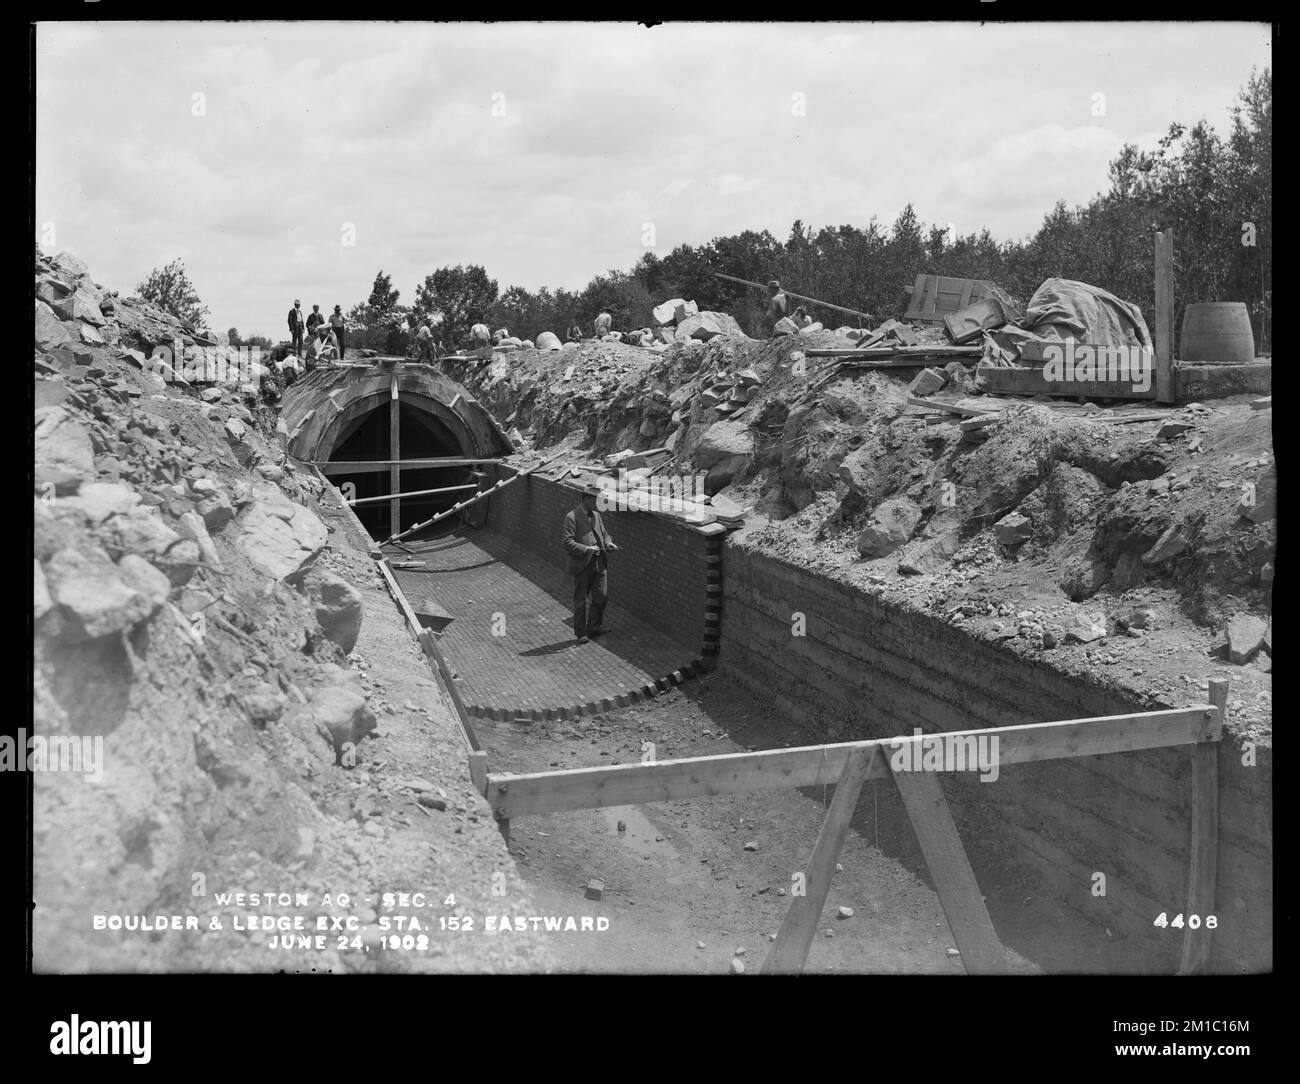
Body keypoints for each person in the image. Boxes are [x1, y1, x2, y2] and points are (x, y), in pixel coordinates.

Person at [562, 483, 619, 643]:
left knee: (602, 597)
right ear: (586, 499)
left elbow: (604, 533)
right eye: (595, 499)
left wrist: (608, 543)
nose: (598, 503)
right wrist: (586, 549)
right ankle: (581, 633)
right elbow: (567, 542)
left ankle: (594, 627)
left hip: (600, 563)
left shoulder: (596, 515)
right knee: (581, 600)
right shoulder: (571, 517)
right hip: (583, 565)